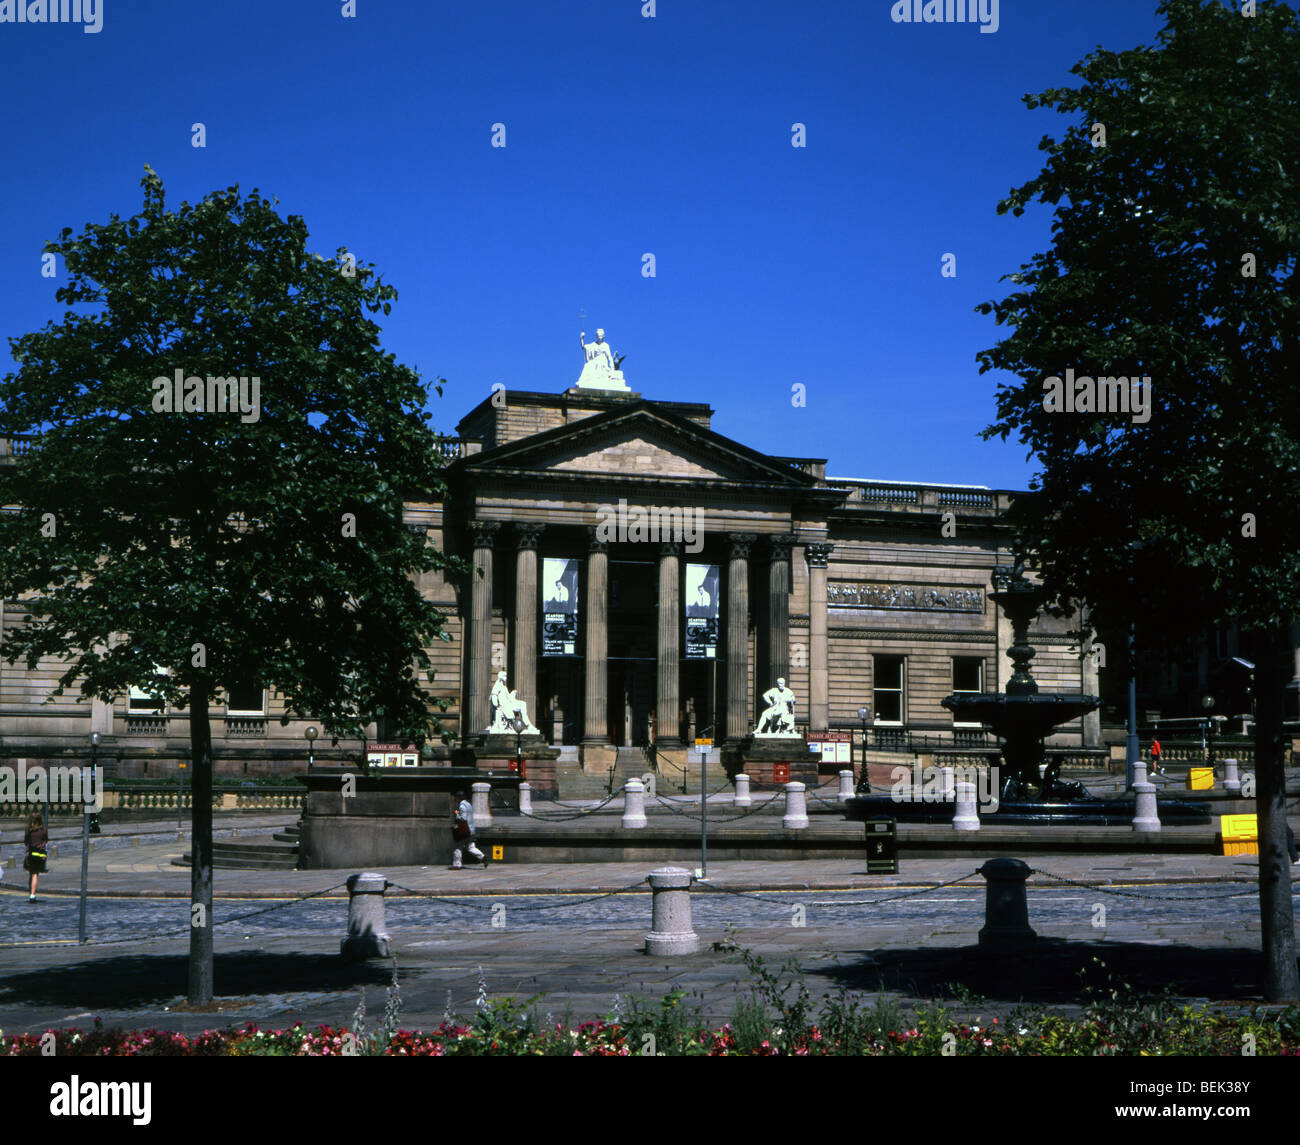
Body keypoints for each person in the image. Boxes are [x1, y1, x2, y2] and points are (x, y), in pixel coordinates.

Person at [451, 790, 487, 870]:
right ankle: (483, 857)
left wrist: (457, 813)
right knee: (471, 847)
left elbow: (462, 818)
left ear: (459, 798)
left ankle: (457, 865)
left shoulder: (462, 806)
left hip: (464, 830)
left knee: (458, 846)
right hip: (471, 830)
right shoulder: (469, 805)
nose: (456, 799)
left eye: (457, 797)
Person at [23, 809, 48, 902]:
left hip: (30, 854)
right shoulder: (43, 830)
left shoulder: (28, 829)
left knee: (32, 874)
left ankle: (31, 894)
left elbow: (25, 841)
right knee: (35, 875)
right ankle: (32, 895)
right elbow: (45, 840)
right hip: (40, 854)